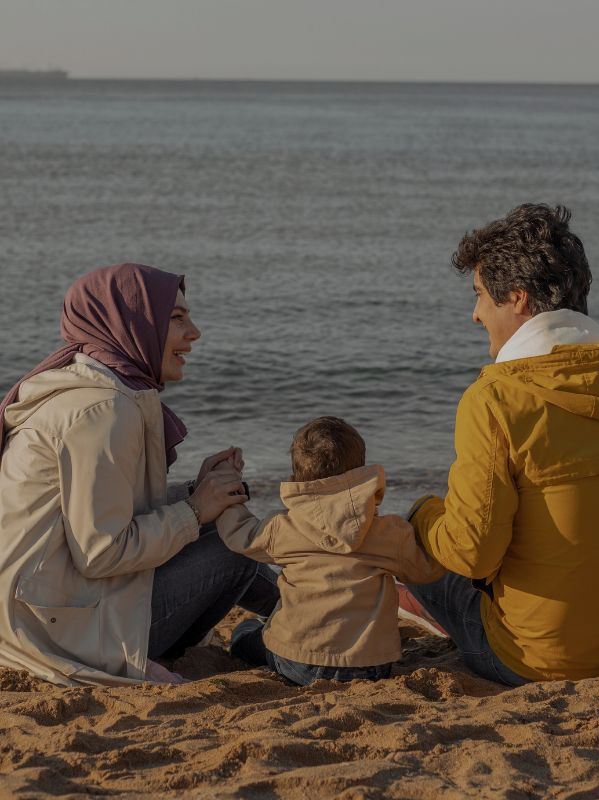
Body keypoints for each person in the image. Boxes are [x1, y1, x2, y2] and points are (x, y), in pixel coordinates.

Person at [402, 204, 599, 686]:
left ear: (518, 299)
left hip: (537, 658)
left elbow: (472, 555)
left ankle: (418, 602)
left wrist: (422, 515)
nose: (475, 313)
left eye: (481, 295)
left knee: (426, 532)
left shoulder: (495, 400)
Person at [0, 263, 278, 686]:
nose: (195, 332)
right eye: (177, 318)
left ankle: (304, 605)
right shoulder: (103, 411)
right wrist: (194, 510)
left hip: (44, 608)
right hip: (62, 632)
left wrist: (196, 494)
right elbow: (101, 552)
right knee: (230, 542)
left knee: (221, 520)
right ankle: (319, 612)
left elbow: (105, 511)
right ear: (131, 322)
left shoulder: (93, 390)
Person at [216, 416, 445, 686]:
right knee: (265, 626)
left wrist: (228, 484)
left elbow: (240, 533)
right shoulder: (387, 533)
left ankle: (259, 629)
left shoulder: (285, 528)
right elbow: (426, 568)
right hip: (369, 666)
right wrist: (429, 515)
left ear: (295, 477)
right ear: (362, 474)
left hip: (297, 662)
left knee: (246, 632)